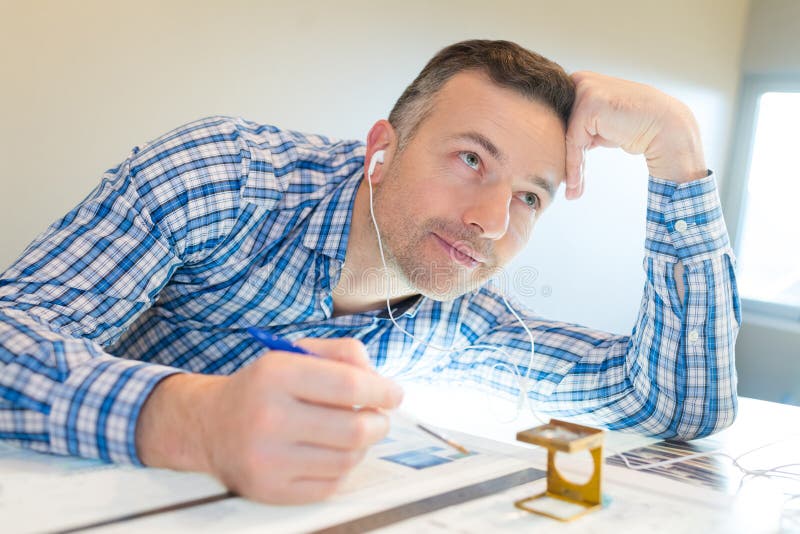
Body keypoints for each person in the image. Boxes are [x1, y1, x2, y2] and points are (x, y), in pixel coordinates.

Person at [0, 40, 739, 504]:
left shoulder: (461, 313)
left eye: (528, 197)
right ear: (382, 149)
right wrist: (194, 420)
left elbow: (675, 404)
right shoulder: (221, 180)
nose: (489, 219)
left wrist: (679, 156)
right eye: (471, 159)